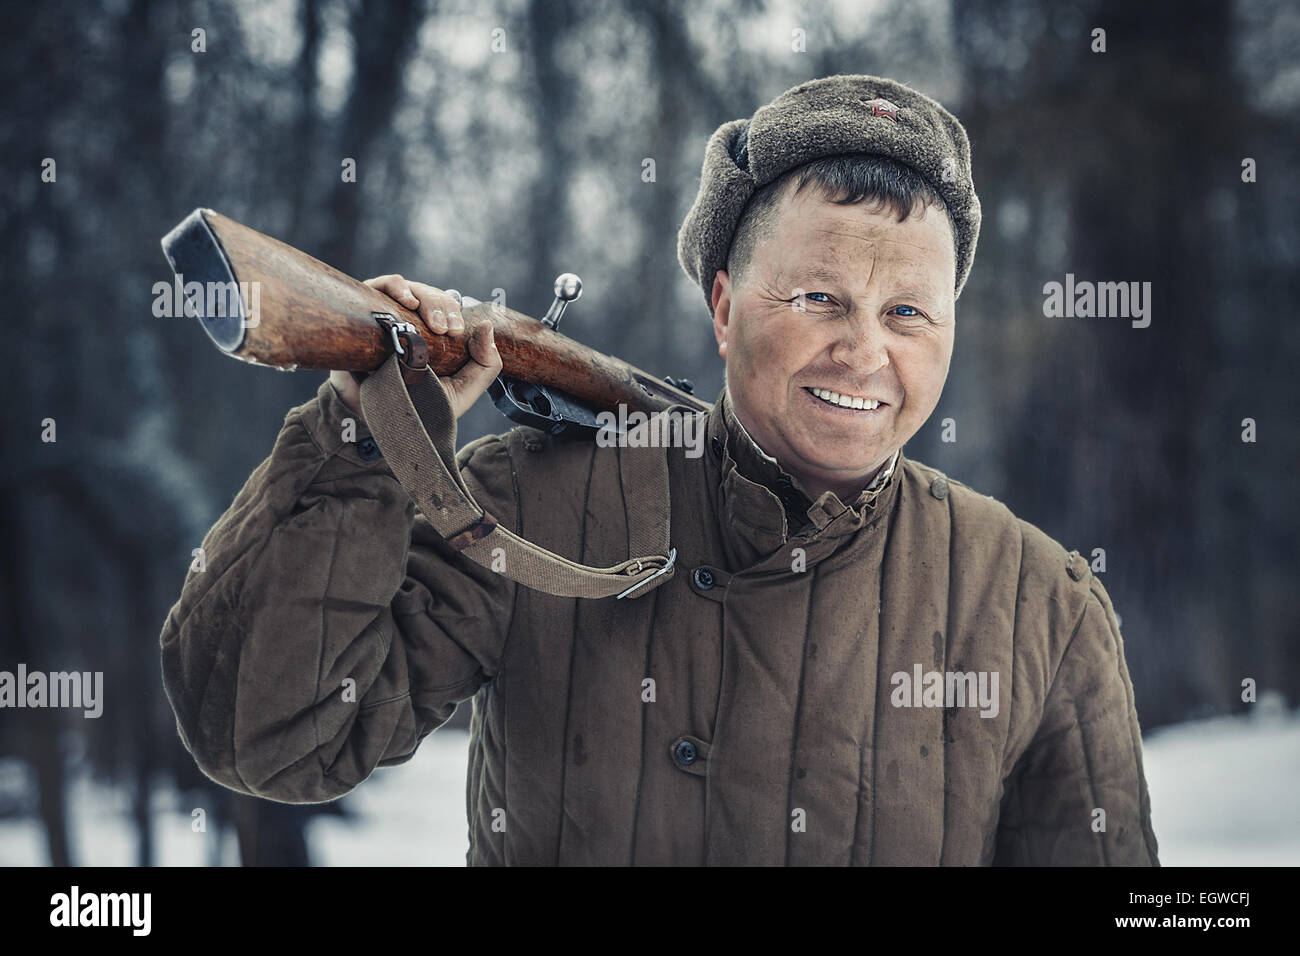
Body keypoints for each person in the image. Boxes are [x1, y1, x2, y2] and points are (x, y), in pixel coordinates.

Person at [160, 74, 1160, 865]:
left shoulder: (1043, 603)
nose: (864, 349)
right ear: (724, 307)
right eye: (818, 295)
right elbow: (264, 732)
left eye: (907, 311)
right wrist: (369, 427)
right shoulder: (524, 503)